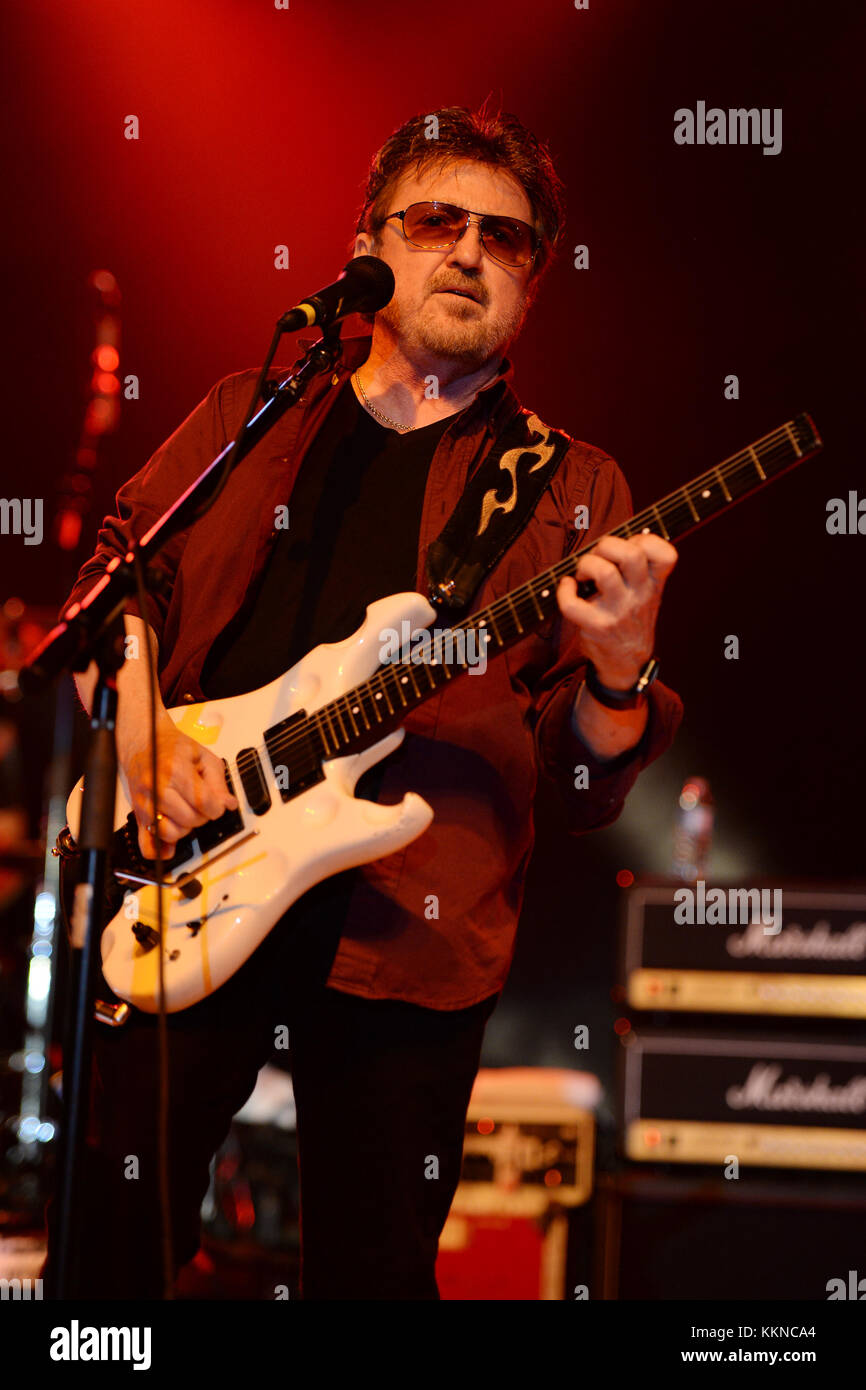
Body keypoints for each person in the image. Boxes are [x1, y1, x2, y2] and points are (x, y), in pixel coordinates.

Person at [43, 104, 683, 1300]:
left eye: (505, 239)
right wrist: (134, 733)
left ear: (531, 283)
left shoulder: (572, 487)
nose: (468, 253)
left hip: (407, 943)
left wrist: (617, 671)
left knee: (375, 1275)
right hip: (182, 875)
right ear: (367, 246)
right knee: (105, 1261)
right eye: (435, 221)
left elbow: (582, 785)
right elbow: (117, 584)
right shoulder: (252, 412)